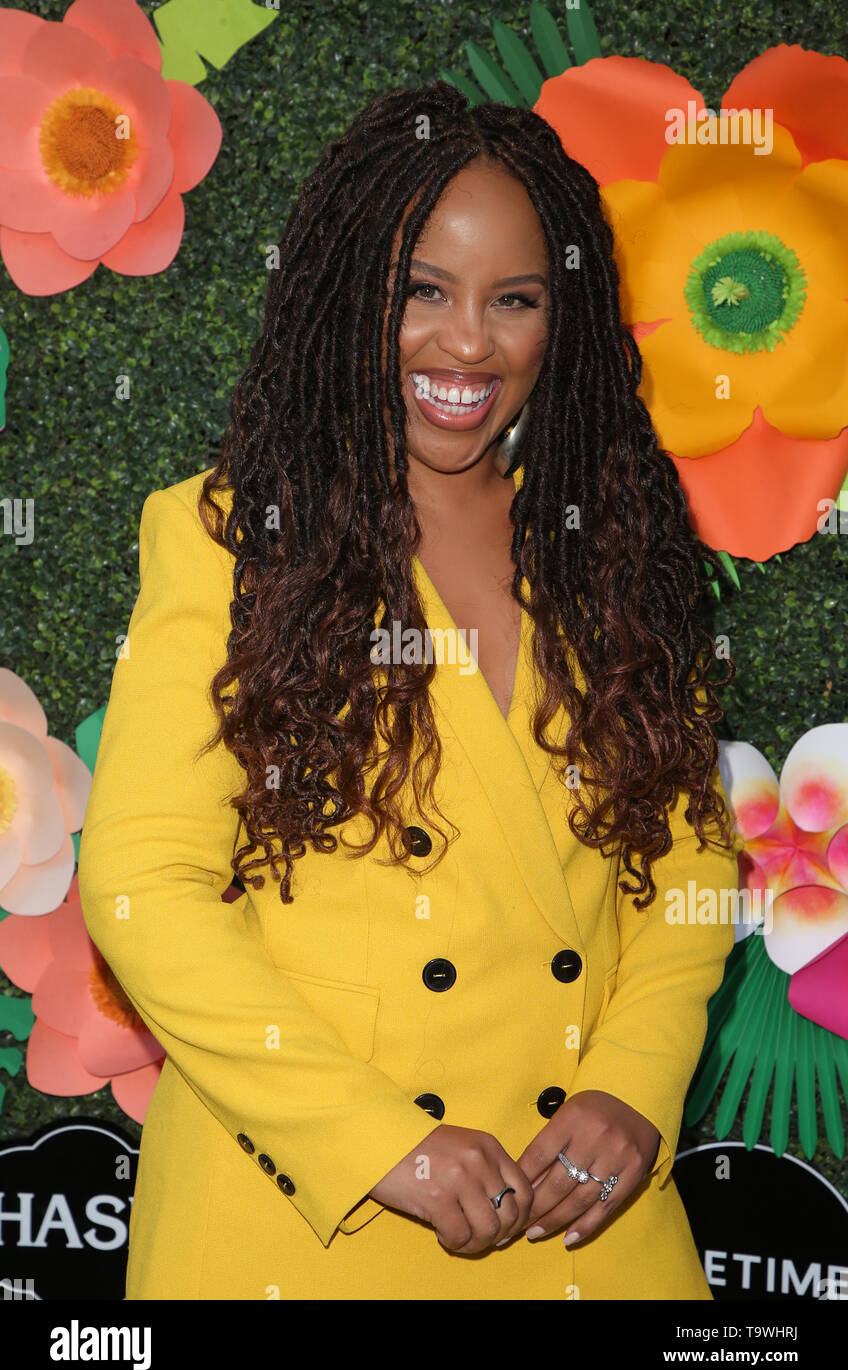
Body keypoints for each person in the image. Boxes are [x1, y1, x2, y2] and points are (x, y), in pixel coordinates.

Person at [77, 80, 741, 1301]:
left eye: (515, 301)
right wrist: (375, 1139)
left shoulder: (617, 542)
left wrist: (633, 1086)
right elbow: (140, 882)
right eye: (422, 291)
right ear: (349, 299)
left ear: (565, 319)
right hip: (304, 1218)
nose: (467, 344)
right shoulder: (233, 536)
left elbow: (692, 863)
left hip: (582, 1219)